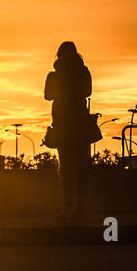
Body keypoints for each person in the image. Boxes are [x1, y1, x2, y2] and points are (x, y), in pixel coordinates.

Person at [44, 41, 93, 219]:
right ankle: (74, 207)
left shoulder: (60, 75)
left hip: (69, 124)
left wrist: (63, 91)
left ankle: (72, 207)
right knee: (75, 168)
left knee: (71, 168)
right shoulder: (71, 74)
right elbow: (86, 92)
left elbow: (48, 95)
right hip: (71, 125)